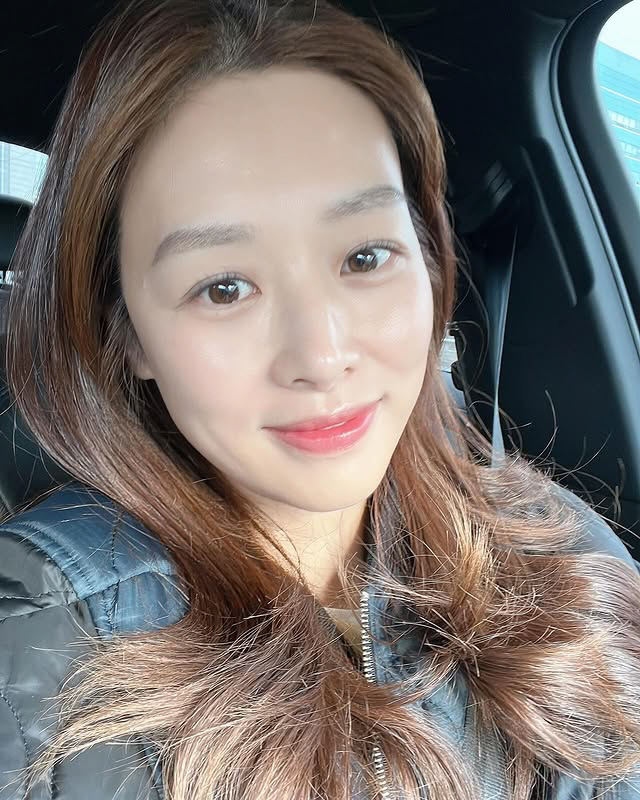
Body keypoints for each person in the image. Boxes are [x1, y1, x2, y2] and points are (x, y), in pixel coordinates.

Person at [1, 1, 640, 798]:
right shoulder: (43, 652)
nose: (323, 355)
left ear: (429, 261)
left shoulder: (554, 540)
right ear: (128, 336)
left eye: (365, 256)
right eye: (224, 287)